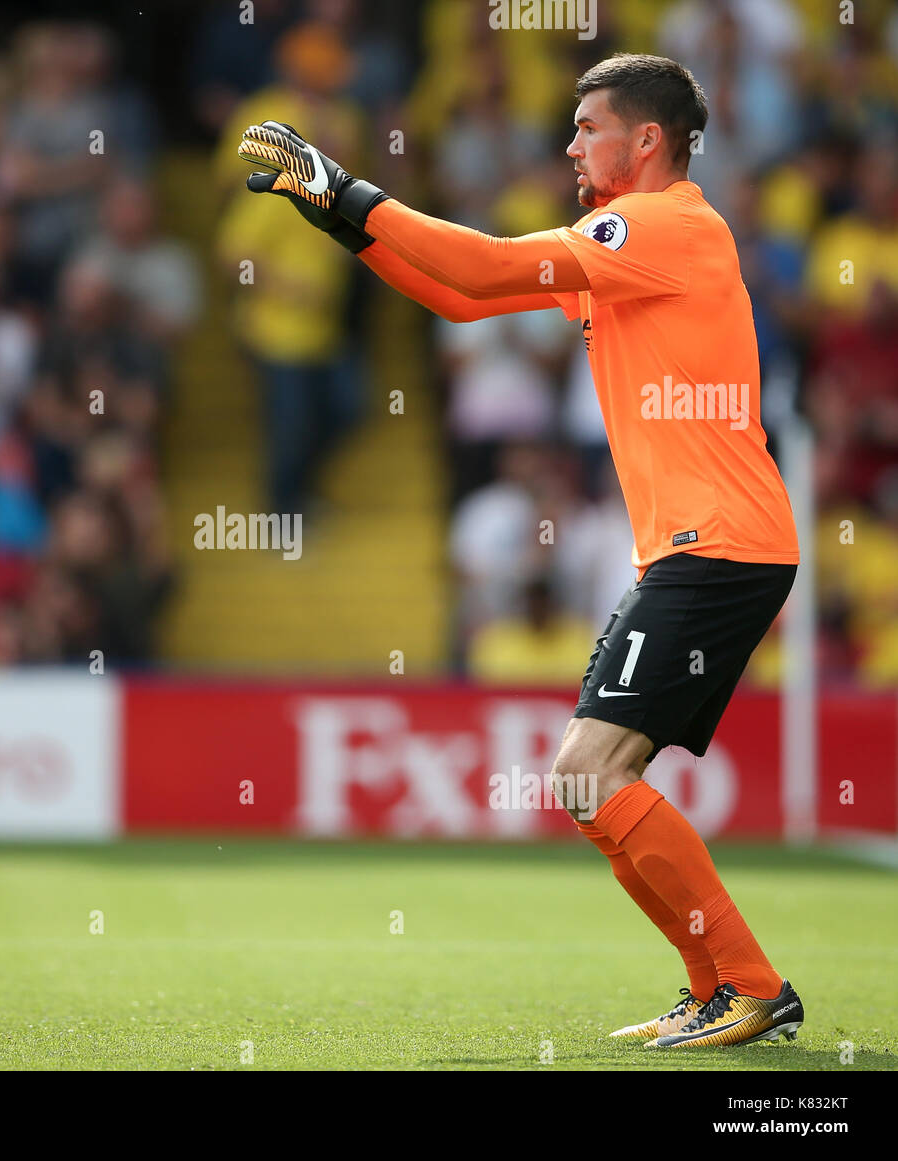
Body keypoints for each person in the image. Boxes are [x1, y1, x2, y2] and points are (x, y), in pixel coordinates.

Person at [237, 53, 803, 1049]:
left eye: (588, 128)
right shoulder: (622, 253)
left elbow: (485, 263)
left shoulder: (664, 223)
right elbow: (462, 299)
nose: (570, 145)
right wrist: (331, 215)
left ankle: (752, 984)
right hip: (699, 549)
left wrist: (344, 187)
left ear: (646, 141)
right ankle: (719, 984)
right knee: (589, 783)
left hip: (717, 545)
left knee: (589, 771)